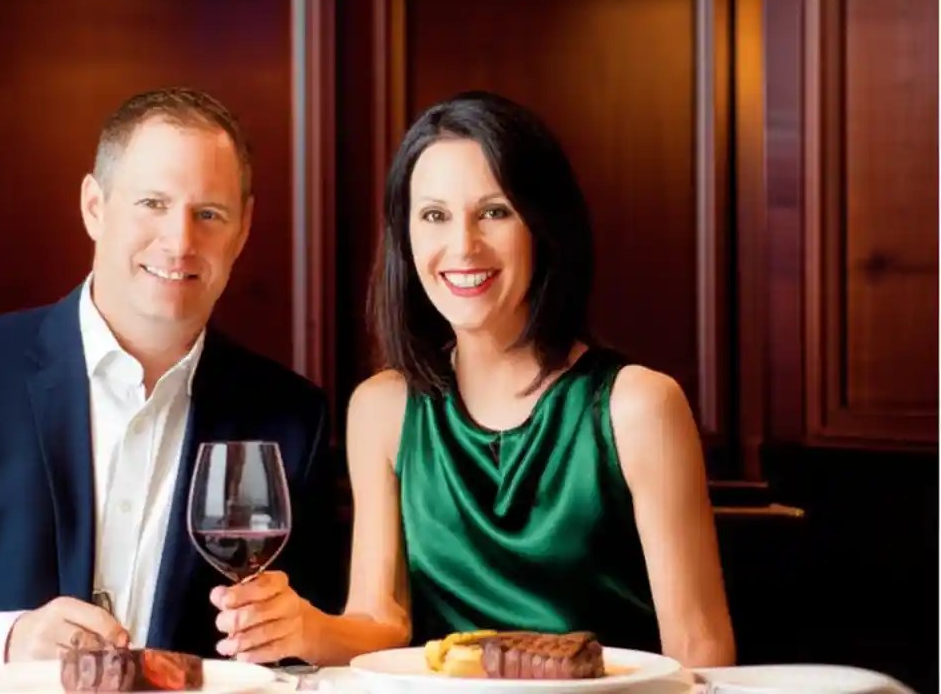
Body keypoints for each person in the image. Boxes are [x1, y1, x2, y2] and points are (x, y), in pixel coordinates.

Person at [0, 87, 342, 675]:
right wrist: (10, 640)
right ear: (94, 207)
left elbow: (307, 654)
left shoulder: (290, 415)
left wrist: (289, 635)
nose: (180, 241)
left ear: (243, 229)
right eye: (152, 203)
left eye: (208, 214)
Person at [209, 91, 736, 667]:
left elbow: (700, 651)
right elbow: (382, 621)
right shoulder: (382, 408)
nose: (463, 245)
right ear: (406, 237)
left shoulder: (637, 405)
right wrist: (306, 631)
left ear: (543, 226)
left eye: (494, 211)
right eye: (434, 215)